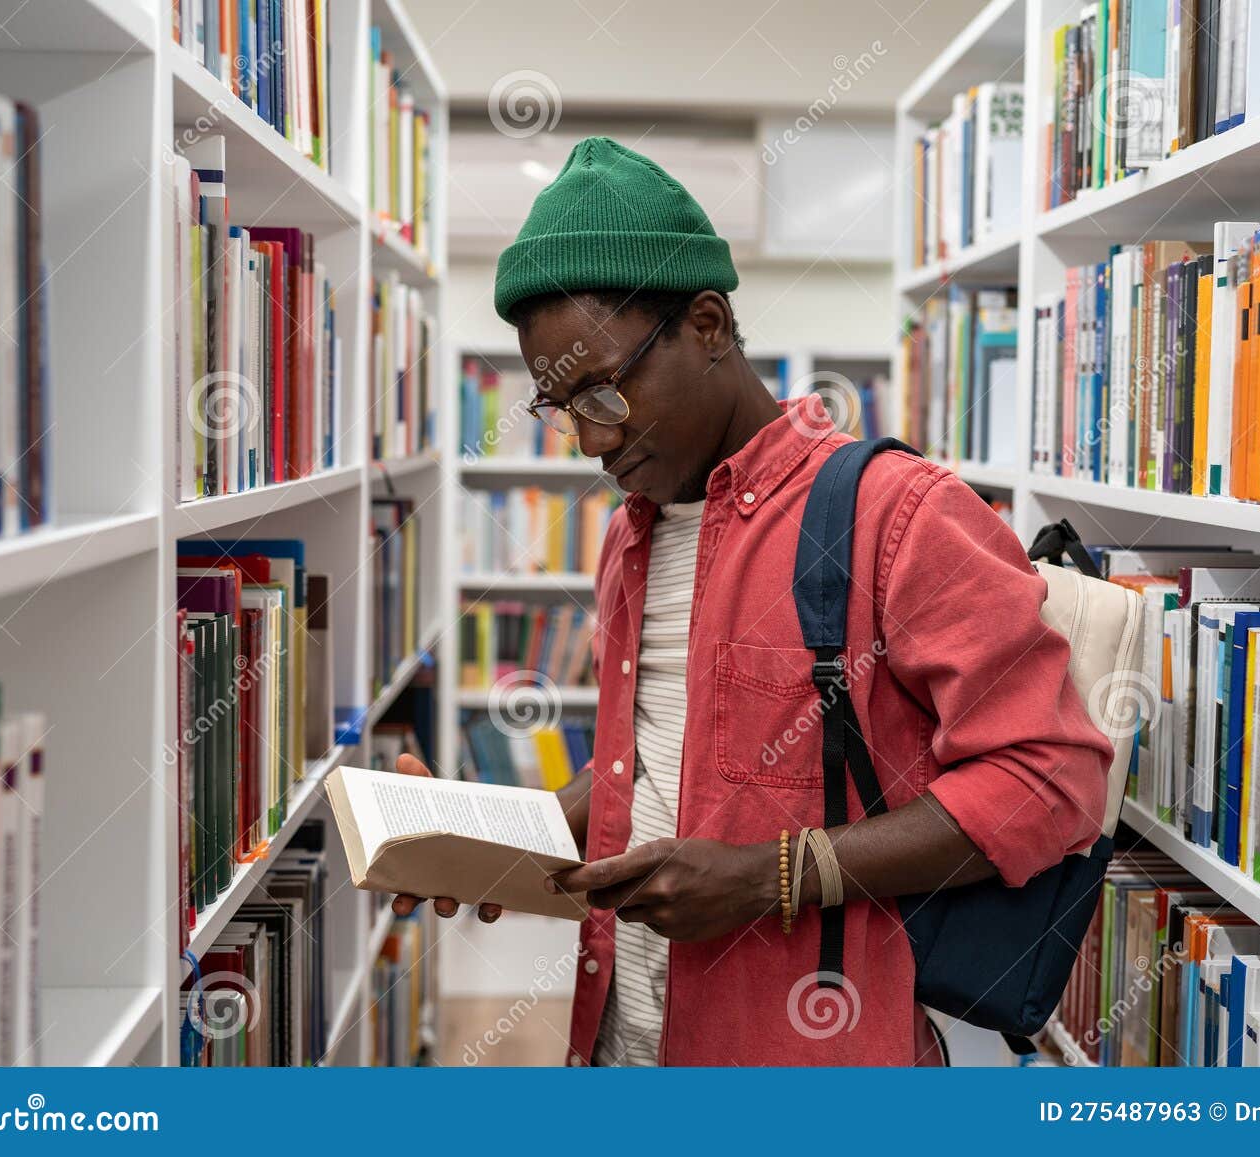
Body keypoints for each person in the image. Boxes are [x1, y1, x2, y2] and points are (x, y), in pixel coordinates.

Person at [391, 136, 1112, 1066]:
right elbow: (650, 775)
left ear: (708, 324)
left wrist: (777, 874)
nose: (584, 442)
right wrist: (489, 833)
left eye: (602, 393)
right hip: (622, 1036)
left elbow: (1050, 779)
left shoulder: (898, 514)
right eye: (558, 407)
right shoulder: (632, 534)